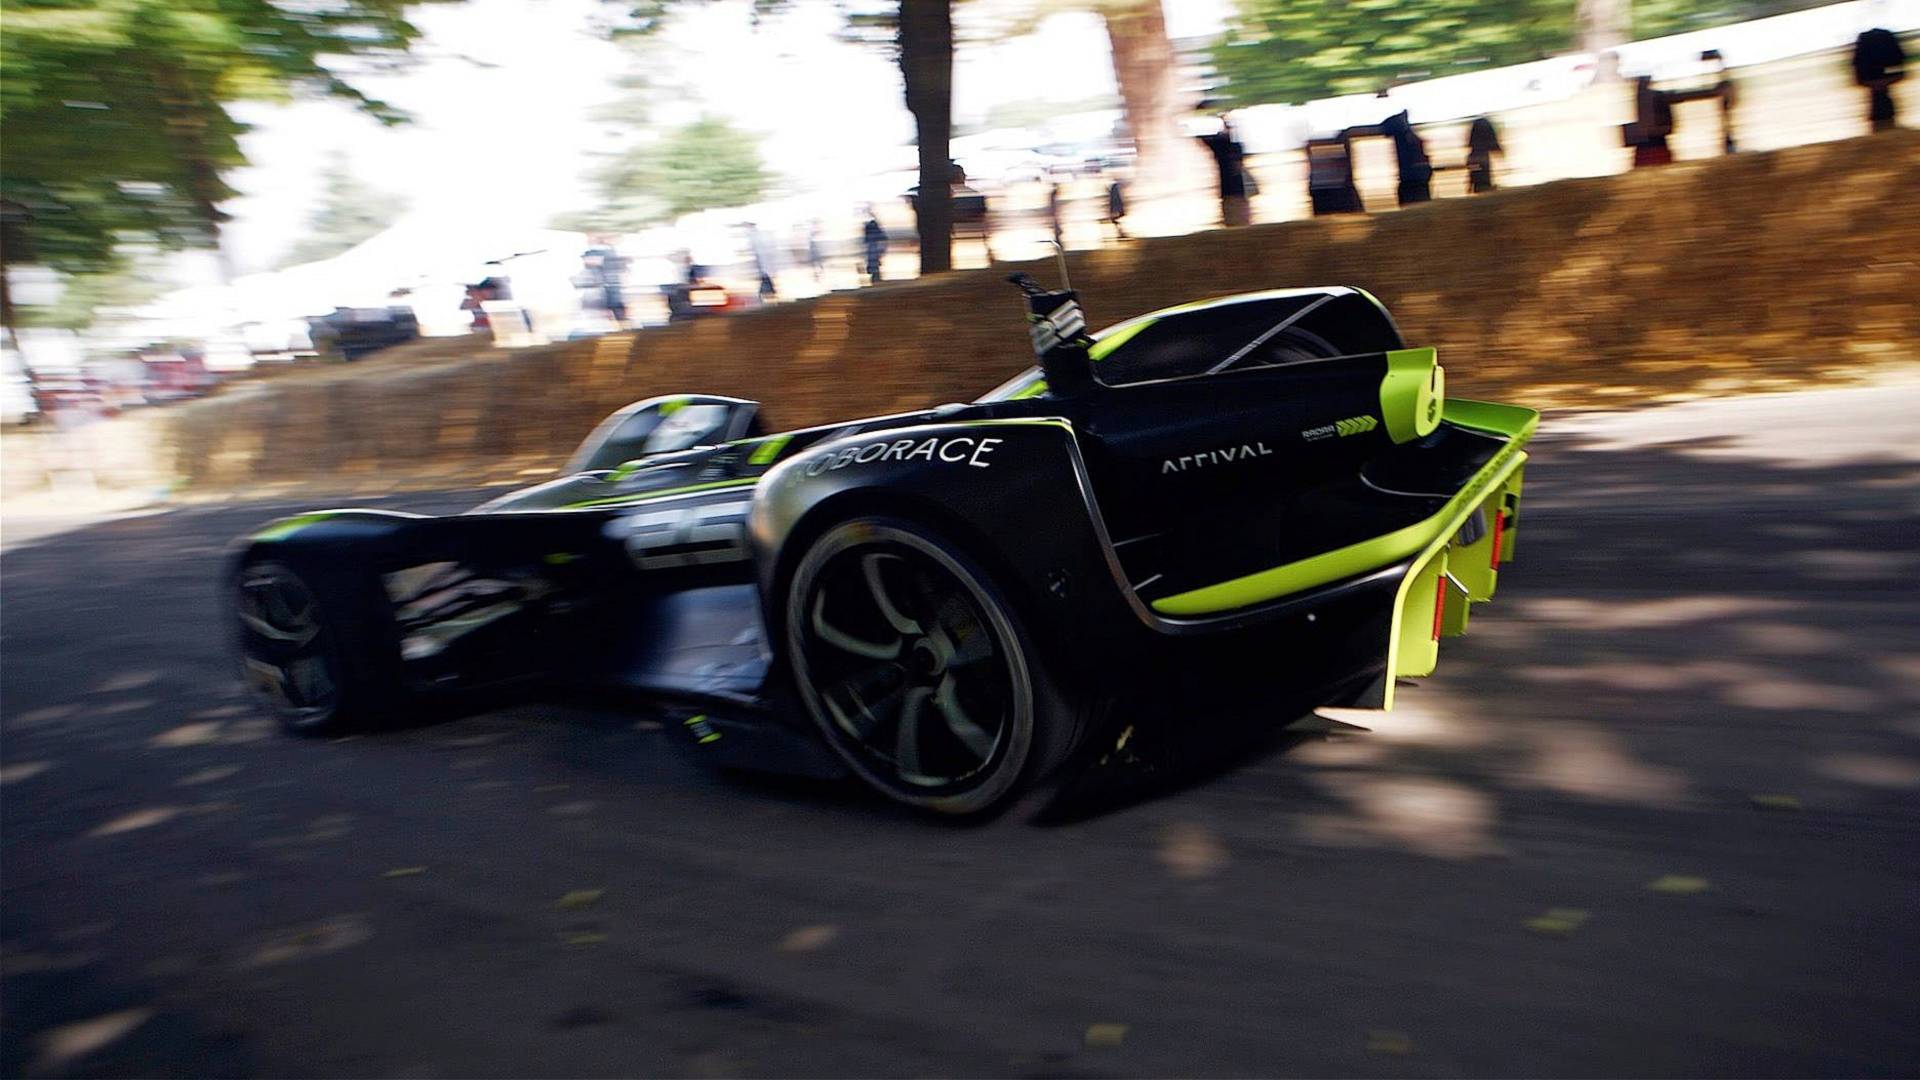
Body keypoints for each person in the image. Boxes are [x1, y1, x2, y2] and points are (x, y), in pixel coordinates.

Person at [1196, 113, 1250, 226]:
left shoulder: (1220, 145)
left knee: (1232, 218)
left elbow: (1203, 139)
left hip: (1228, 191)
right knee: (1240, 219)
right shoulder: (1235, 146)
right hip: (1238, 191)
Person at [1853, 27, 1908, 133]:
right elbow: (1899, 65)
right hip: (1882, 87)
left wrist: (1873, 83)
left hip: (1876, 87)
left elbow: (1858, 69)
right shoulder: (1886, 41)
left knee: (1880, 109)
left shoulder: (1864, 42)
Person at [1380, 110, 1433, 205]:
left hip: (1412, 174)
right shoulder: (1410, 138)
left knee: (1412, 199)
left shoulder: (1406, 139)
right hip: (1416, 173)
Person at [1466, 116, 1503, 193]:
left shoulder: (1473, 155)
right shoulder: (1483, 156)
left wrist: (1469, 185)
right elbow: (1491, 140)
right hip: (1484, 185)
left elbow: (1472, 172)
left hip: (1476, 156)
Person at [861, 206, 887, 284]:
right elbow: (882, 236)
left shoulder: (869, 225)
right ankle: (876, 277)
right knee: (874, 261)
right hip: (873, 245)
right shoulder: (872, 224)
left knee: (873, 261)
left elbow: (866, 238)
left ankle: (875, 277)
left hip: (872, 245)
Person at [1105, 175, 1128, 240]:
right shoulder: (1115, 188)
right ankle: (1121, 232)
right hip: (1117, 207)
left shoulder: (1114, 188)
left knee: (1115, 219)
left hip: (1116, 207)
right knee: (1116, 219)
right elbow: (1116, 199)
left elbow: (1114, 199)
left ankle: (1121, 232)